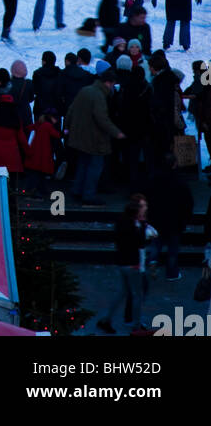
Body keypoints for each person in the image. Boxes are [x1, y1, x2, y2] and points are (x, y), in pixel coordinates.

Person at [66, 68, 125, 205]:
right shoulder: (99, 96)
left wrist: (67, 127)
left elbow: (71, 109)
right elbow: (101, 119)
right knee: (95, 167)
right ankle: (88, 195)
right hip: (94, 138)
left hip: (80, 136)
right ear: (108, 83)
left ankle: (77, 190)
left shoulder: (85, 90)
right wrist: (116, 132)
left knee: (83, 164)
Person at [96, 194, 151, 334]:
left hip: (121, 262)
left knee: (122, 292)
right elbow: (139, 242)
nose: (146, 208)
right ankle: (136, 326)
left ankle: (106, 319)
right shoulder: (136, 224)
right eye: (144, 205)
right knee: (137, 295)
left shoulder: (122, 220)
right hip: (133, 263)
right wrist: (144, 227)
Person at [145, 152, 194, 282]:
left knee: (156, 243)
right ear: (174, 164)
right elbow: (188, 202)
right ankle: (171, 273)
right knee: (173, 248)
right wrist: (187, 218)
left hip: (157, 218)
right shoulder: (180, 182)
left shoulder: (153, 179)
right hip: (175, 220)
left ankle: (152, 260)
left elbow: (147, 198)